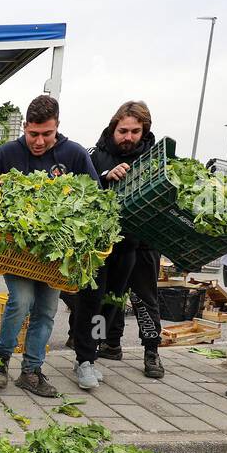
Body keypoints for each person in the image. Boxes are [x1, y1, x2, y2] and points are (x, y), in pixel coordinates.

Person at [0, 95, 97, 397]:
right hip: (16, 251)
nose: (38, 141)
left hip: (55, 254)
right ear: (25, 126)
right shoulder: (8, 152)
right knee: (21, 301)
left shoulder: (74, 154)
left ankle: (31, 371)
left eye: (46, 134)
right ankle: (0, 361)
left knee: (47, 309)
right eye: (33, 134)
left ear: (57, 128)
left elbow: (95, 196)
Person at [75, 101, 165, 385]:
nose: (128, 137)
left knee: (146, 299)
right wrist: (105, 178)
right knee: (104, 300)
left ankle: (151, 351)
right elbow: (82, 191)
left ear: (144, 130)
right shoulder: (96, 155)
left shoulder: (156, 158)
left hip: (144, 242)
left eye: (135, 131)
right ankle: (101, 348)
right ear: (113, 128)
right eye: (123, 130)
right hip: (107, 243)